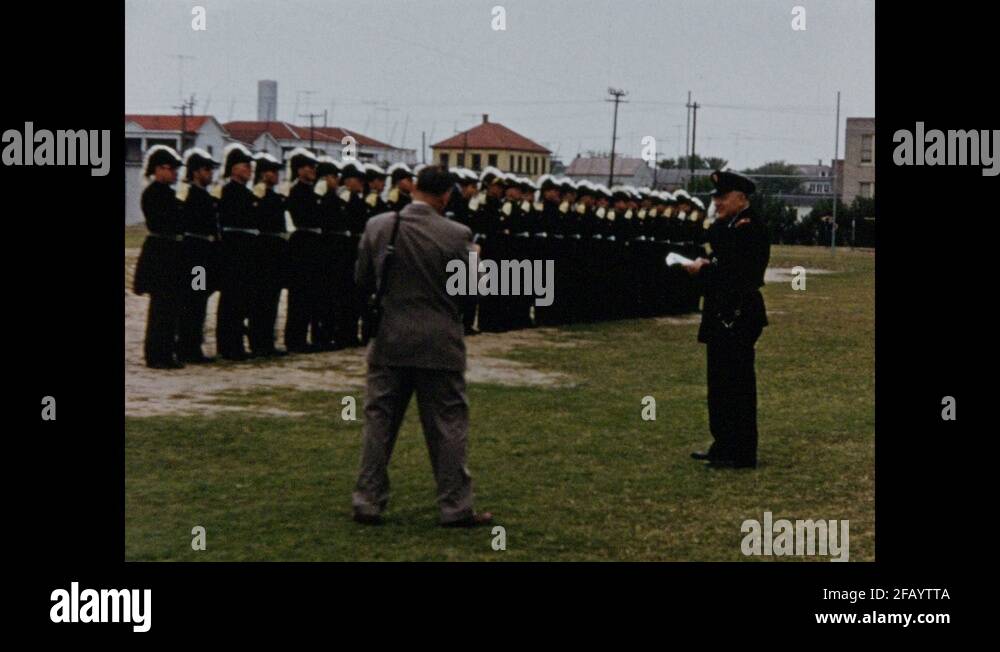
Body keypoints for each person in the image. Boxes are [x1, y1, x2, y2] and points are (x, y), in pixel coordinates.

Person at [351, 165, 492, 527]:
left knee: (379, 422)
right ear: (446, 195)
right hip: (439, 342)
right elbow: (472, 289)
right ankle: (455, 506)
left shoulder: (378, 226)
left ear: (413, 188)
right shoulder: (457, 234)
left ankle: (367, 500)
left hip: (390, 339)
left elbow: (362, 279)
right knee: (447, 425)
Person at [685, 170, 770, 469]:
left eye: (723, 197)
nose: (717, 203)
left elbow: (733, 273)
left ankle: (741, 451)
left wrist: (703, 270)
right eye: (715, 198)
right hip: (722, 313)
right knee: (719, 384)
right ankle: (723, 444)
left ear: (741, 198)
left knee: (737, 385)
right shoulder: (732, 225)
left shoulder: (748, 227)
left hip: (738, 314)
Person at [133, 145, 185, 369]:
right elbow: (168, 221)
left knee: (170, 306)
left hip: (169, 251)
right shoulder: (155, 192)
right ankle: (157, 354)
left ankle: (166, 350)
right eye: (170, 169)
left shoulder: (168, 193)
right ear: (158, 169)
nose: (175, 173)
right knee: (161, 307)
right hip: (160, 252)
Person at [215, 143, 259, 361]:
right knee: (231, 301)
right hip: (233, 251)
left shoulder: (247, 193)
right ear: (233, 168)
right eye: (245, 165)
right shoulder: (227, 191)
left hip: (246, 252)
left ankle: (237, 344)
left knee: (242, 300)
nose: (249, 169)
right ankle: (227, 345)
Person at [176, 147, 220, 364]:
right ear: (195, 172)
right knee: (194, 300)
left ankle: (191, 344)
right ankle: (189, 347)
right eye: (206, 169)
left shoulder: (205, 195)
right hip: (195, 256)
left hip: (204, 255)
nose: (210, 174)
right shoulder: (189, 194)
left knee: (199, 299)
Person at [250, 152, 288, 357]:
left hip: (275, 251)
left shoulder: (275, 196)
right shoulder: (257, 195)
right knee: (261, 299)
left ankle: (267, 340)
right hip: (262, 251)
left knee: (272, 299)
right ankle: (258, 341)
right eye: (271, 172)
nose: (275, 175)